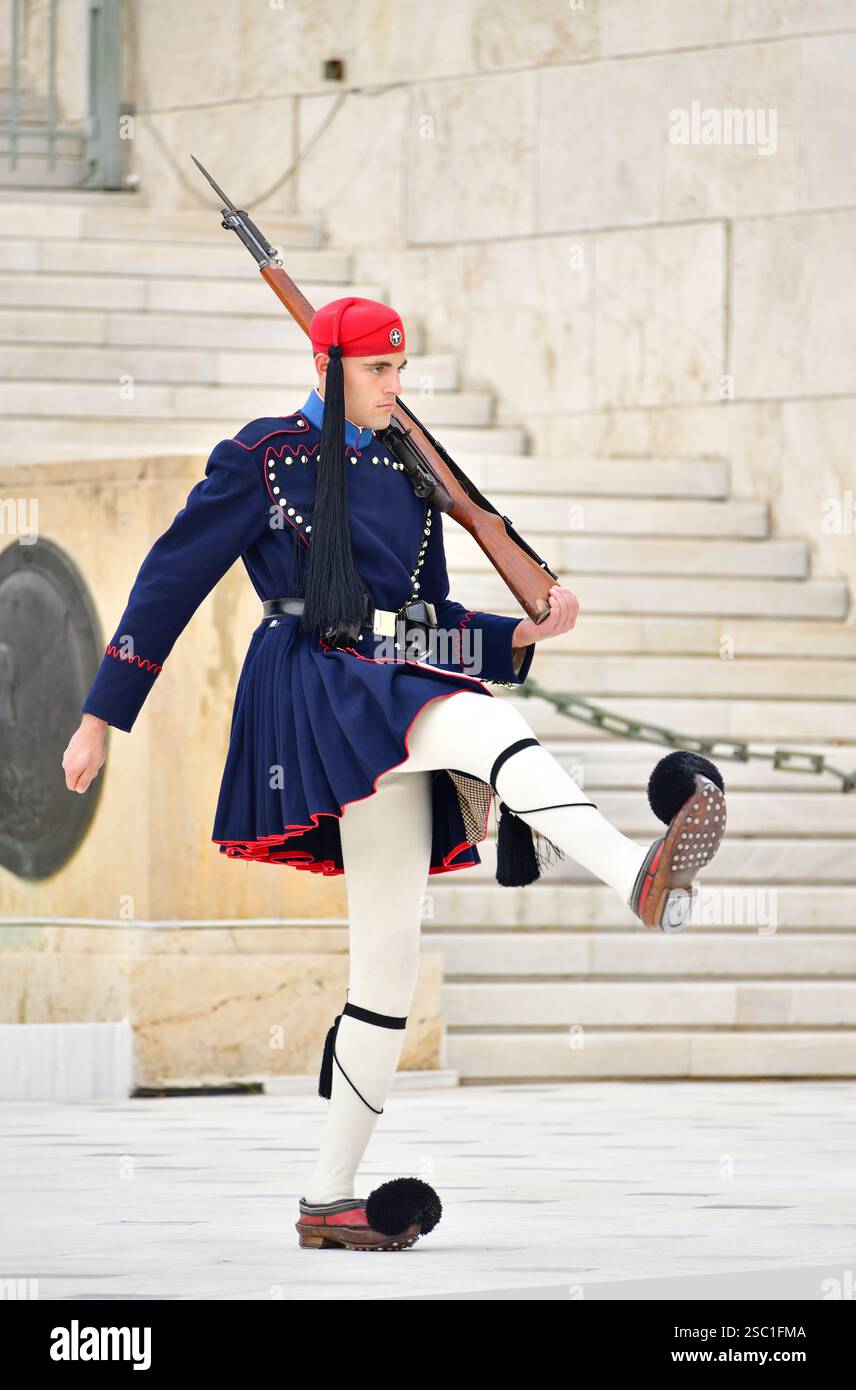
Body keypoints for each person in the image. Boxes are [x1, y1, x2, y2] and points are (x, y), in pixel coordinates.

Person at [62, 295, 727, 1252]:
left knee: (387, 963)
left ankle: (329, 1199)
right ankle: (635, 874)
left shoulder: (410, 474)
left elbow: (433, 615)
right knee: (486, 726)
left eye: (401, 371)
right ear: (331, 368)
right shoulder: (264, 454)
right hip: (315, 683)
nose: (395, 388)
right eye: (379, 371)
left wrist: (520, 632)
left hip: (396, 671)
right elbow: (170, 579)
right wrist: (100, 718)